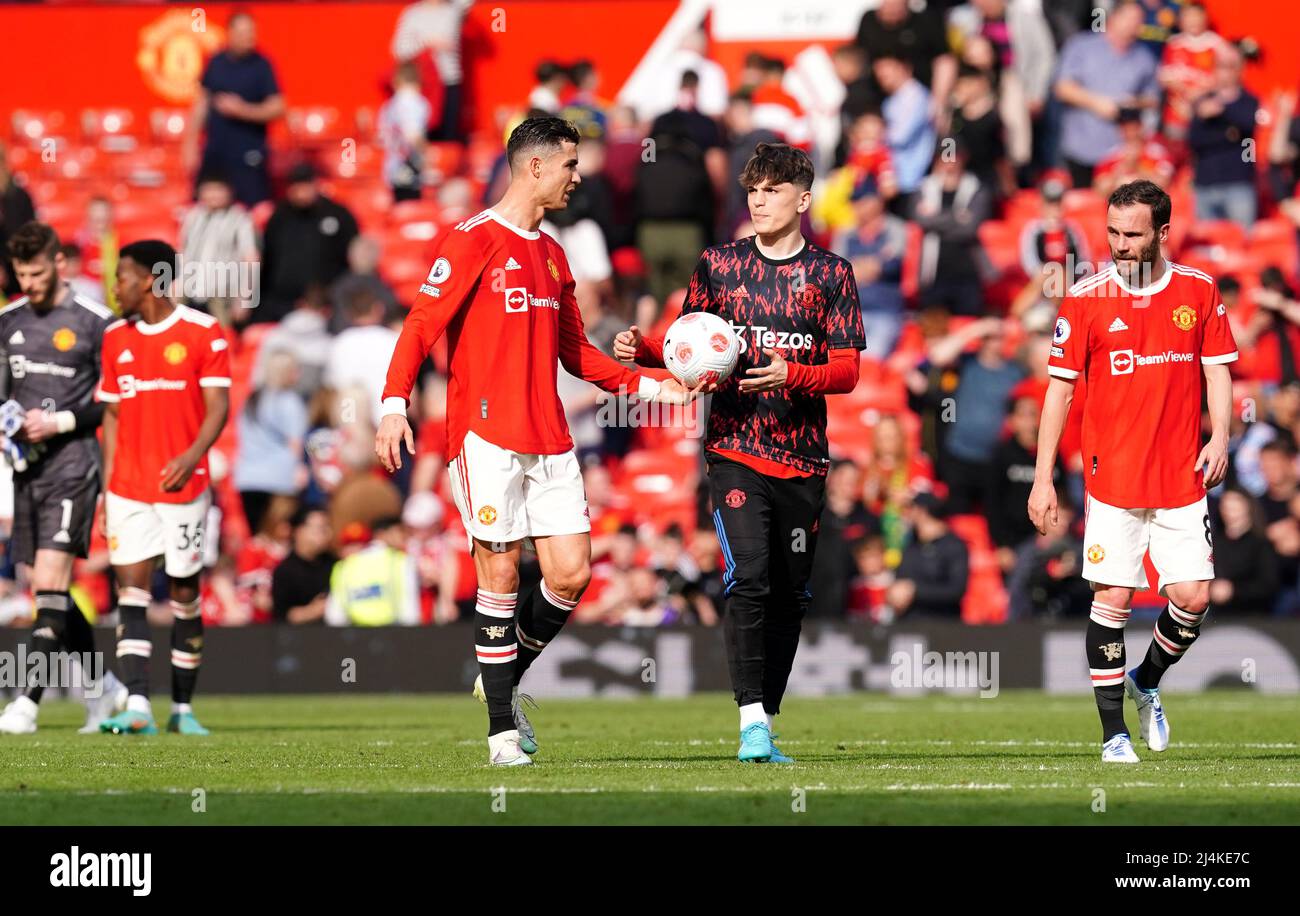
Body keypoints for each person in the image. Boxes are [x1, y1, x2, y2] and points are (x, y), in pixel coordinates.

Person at [374, 117, 698, 766]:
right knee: (498, 571)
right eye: (571, 165)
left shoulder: (553, 255)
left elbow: (577, 355)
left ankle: (503, 674)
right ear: (536, 168)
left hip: (549, 436)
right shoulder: (470, 241)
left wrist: (655, 385)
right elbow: (419, 326)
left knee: (571, 575)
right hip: (484, 435)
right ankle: (501, 733)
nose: (580, 176)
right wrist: (392, 405)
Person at [615, 143, 866, 763]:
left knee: (790, 593)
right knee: (748, 577)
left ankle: (767, 717)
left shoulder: (831, 273)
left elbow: (849, 370)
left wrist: (791, 375)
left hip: (802, 457)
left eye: (773, 190)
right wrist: (643, 348)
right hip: (734, 448)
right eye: (752, 189)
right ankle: (750, 721)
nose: (758, 200)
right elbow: (689, 343)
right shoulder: (719, 264)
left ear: (803, 200)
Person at [1029, 179, 1237, 763]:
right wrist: (1044, 478)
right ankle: (1113, 735)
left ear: (1162, 234)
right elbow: (1059, 392)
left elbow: (1218, 371)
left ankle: (1147, 679)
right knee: (1114, 595)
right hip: (1111, 476)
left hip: (1180, 474)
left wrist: (1219, 436)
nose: (1119, 244)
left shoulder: (1197, 290)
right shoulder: (1086, 297)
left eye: (1133, 234)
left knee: (1193, 596)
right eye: (1113, 232)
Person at [96, 240, 231, 736]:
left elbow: (218, 407)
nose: (116, 287)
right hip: (129, 487)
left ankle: (181, 709)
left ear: (152, 279)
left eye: (123, 277)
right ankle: (137, 707)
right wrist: (108, 488)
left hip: (184, 487)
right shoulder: (114, 338)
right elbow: (111, 414)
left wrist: (191, 456)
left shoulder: (202, 332)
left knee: (183, 591)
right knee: (129, 593)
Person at [0, 222, 125, 735]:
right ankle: (106, 690)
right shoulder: (8, 322)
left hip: (74, 464)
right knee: (46, 587)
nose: (27, 283)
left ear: (60, 265)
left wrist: (61, 422)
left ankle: (25, 703)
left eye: (35, 273)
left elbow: (115, 401)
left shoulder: (98, 323)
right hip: (27, 469)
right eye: (20, 274)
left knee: (51, 581)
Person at [1053, 0, 1159, 188]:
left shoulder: (1144, 57)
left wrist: (1133, 103)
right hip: (1082, 147)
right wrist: (1096, 102)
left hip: (1122, 153)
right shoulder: (1082, 46)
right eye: (1130, 18)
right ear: (1113, 17)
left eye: (1138, 20)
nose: (1134, 24)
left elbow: (1153, 99)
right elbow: (1062, 87)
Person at [183, 11, 285, 206]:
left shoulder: (262, 65)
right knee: (205, 205)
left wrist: (243, 110)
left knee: (251, 208)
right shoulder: (216, 62)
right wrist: (189, 143)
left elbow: (278, 107)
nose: (248, 37)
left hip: (249, 153)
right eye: (243, 32)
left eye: (251, 32)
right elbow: (202, 103)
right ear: (230, 33)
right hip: (216, 150)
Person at [258, 162, 360, 325]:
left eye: (305, 186)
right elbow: (268, 257)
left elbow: (352, 258)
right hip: (282, 302)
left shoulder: (338, 214)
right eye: (296, 187)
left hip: (326, 303)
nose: (300, 193)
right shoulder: (280, 216)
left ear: (316, 185)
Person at [1187, 45, 1259, 226]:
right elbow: (1194, 140)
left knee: (1242, 245)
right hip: (1205, 186)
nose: (1225, 72)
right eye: (1220, 66)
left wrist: (1221, 110)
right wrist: (1227, 135)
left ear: (1239, 70)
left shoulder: (1249, 101)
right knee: (1208, 249)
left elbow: (1246, 128)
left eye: (1230, 66)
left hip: (1238, 185)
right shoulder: (1202, 101)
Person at [888, 492, 969, 618]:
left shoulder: (953, 546)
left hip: (942, 625)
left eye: (909, 508)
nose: (904, 514)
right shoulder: (911, 546)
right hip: (908, 626)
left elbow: (956, 590)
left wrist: (915, 591)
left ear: (921, 512)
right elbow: (901, 580)